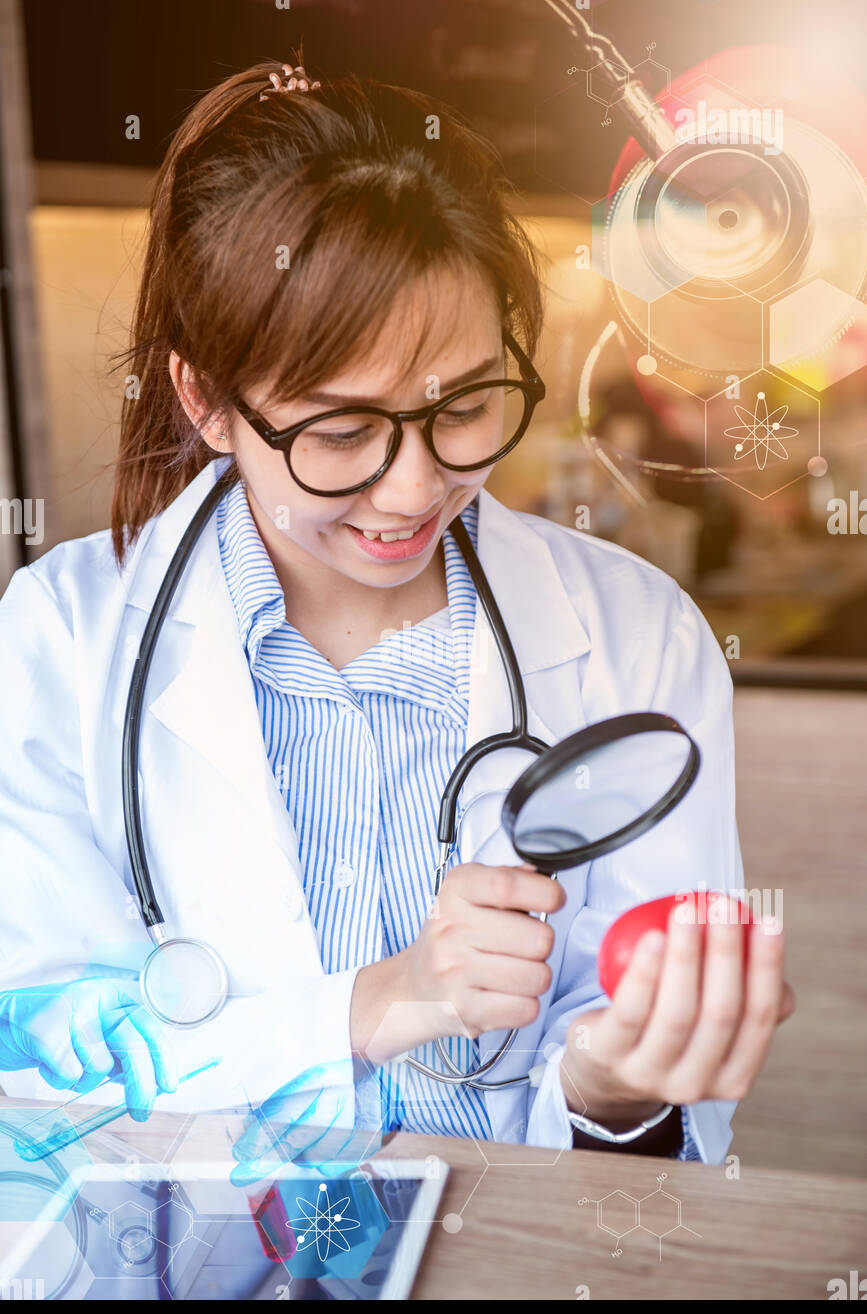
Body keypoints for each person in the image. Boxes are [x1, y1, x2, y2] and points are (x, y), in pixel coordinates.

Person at [0, 57, 793, 1165]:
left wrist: (620, 1088)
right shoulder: (59, 641)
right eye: (338, 435)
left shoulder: (632, 633)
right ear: (205, 401)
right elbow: (37, 1075)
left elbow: (650, 1129)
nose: (413, 489)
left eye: (466, 406)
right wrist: (380, 1002)